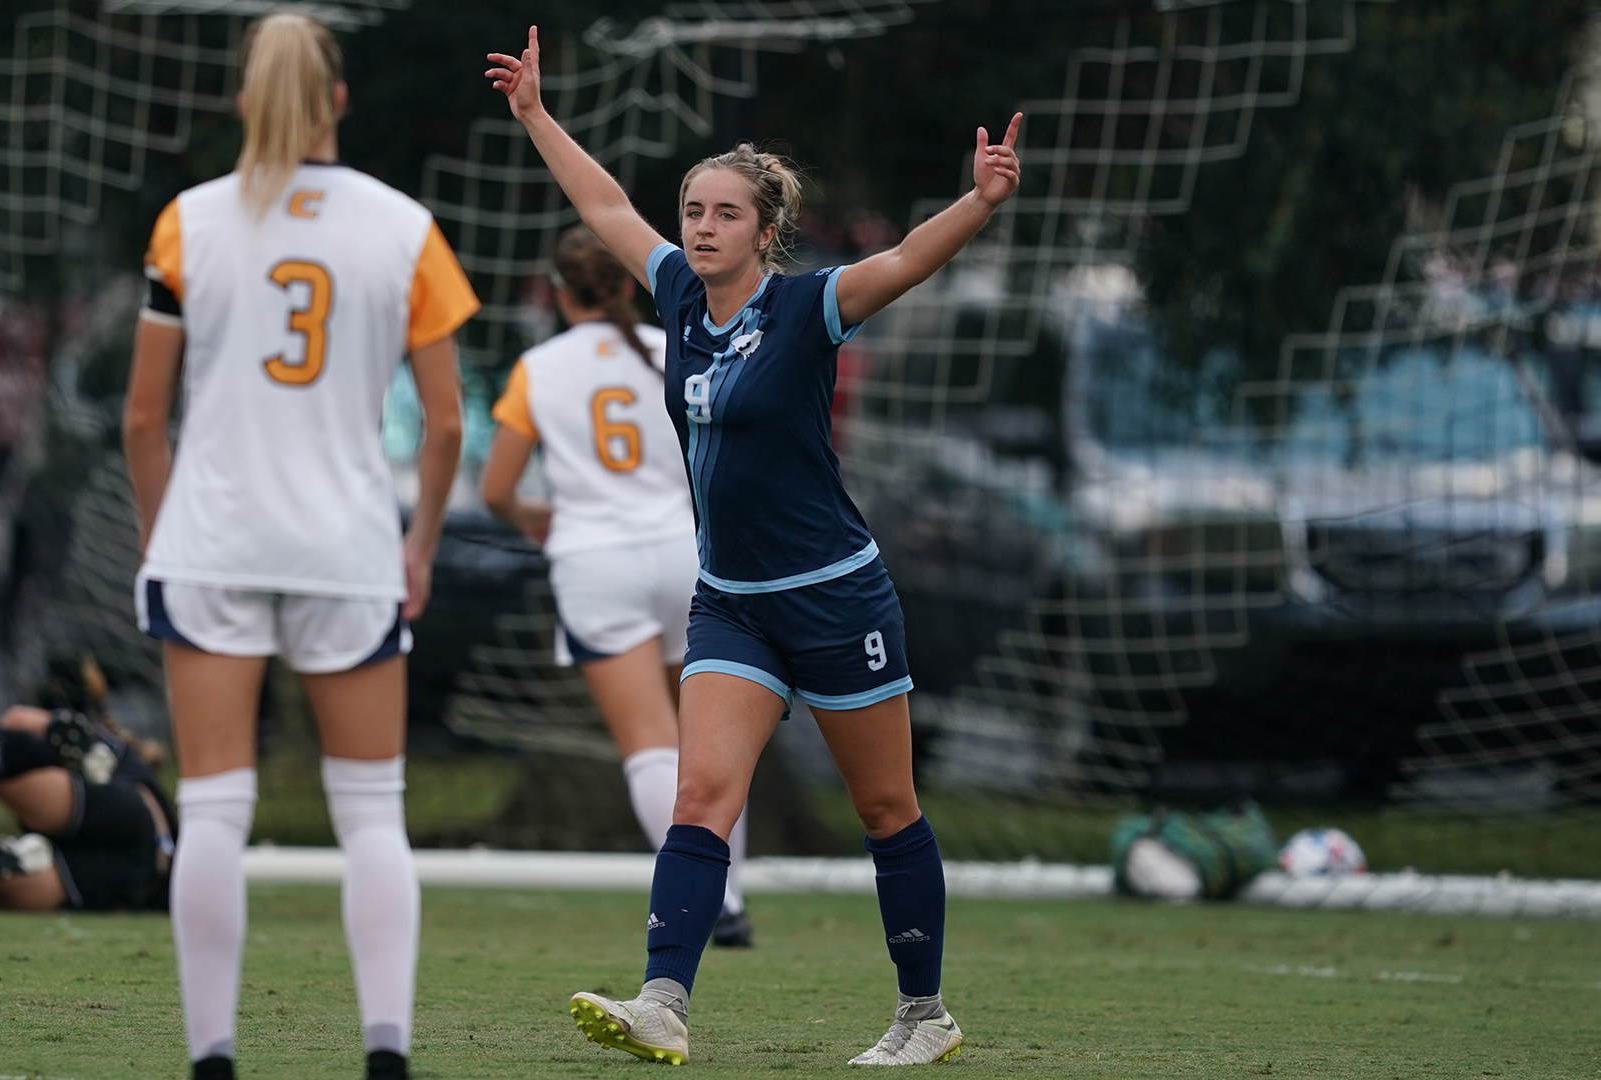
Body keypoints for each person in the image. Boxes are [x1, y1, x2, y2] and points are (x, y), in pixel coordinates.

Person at [486, 27, 1022, 1067]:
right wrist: (536, 115)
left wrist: (982, 200)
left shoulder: (807, 305)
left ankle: (924, 1013)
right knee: (699, 797)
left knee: (885, 807)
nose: (701, 226)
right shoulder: (676, 295)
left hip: (834, 595)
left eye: (726, 212)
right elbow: (605, 207)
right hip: (730, 600)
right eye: (693, 209)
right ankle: (663, 1003)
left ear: (767, 231)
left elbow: (905, 260)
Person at [123, 11, 477, 1080]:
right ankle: (386, 1055)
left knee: (212, 811)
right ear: (339, 100)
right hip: (346, 549)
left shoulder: (188, 221)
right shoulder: (404, 228)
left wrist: (164, 543)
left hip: (213, 545)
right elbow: (447, 423)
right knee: (370, 815)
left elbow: (142, 420)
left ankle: (213, 1059)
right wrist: (420, 545)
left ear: (244, 101)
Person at [479, 225, 753, 948]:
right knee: (707, 739)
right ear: (631, 283)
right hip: (688, 553)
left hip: (597, 561)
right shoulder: (679, 348)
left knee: (649, 745)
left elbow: (496, 488)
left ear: (558, 294)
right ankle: (732, 891)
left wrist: (532, 518)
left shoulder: (539, 368)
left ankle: (717, 903)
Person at [0, 704, 175, 913]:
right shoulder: (123, 756)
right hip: (136, 875)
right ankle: (44, 752)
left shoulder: (120, 754)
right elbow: (17, 719)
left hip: (116, 841)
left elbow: (16, 718)